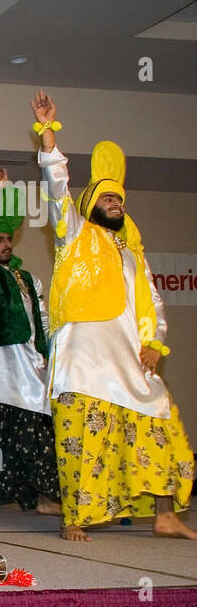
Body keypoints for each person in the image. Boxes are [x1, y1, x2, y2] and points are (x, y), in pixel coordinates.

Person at [31, 90, 195, 541]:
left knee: (159, 417)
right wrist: (47, 136)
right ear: (90, 205)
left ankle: (164, 514)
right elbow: (57, 188)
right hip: (83, 354)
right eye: (107, 198)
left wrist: (154, 342)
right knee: (81, 437)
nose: (116, 203)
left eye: (120, 199)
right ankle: (74, 517)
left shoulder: (131, 253)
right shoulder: (73, 232)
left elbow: (153, 301)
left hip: (128, 353)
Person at [0, 165, 60, 518]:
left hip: (30, 369)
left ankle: (43, 496)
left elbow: (44, 321)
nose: (4, 244)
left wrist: (50, 356)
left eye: (7, 240)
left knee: (35, 436)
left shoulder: (29, 279)